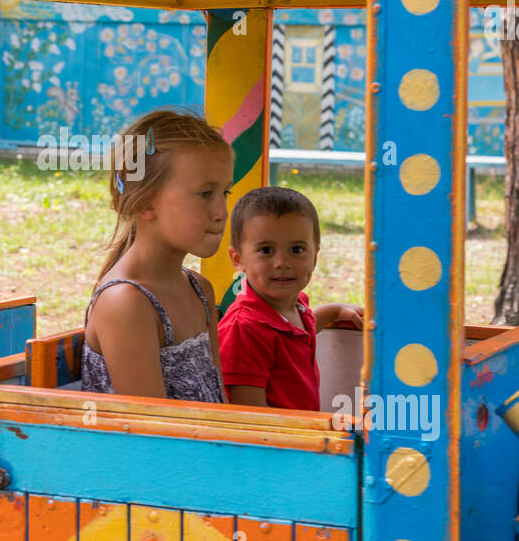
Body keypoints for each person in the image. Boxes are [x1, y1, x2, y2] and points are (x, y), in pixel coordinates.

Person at [81, 109, 232, 403]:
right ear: (146, 204)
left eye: (224, 193)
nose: (221, 212)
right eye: (204, 194)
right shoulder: (126, 303)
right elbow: (153, 434)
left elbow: (221, 403)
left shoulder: (199, 289)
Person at [218, 186, 363, 410]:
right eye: (266, 250)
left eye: (296, 249)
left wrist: (335, 310)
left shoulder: (295, 307)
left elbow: (299, 335)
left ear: (314, 258)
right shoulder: (245, 329)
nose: (282, 262)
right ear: (238, 260)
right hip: (276, 441)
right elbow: (249, 416)